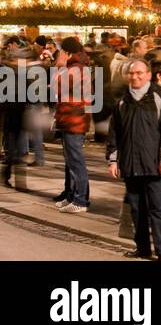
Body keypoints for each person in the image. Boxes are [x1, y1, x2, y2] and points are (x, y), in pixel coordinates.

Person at [107, 59, 161, 260]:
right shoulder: (122, 102)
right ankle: (143, 248)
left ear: (148, 75)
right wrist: (113, 160)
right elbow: (115, 134)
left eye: (139, 73)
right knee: (137, 211)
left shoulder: (159, 100)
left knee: (157, 209)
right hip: (130, 165)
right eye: (131, 73)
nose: (135, 76)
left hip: (153, 165)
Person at [53, 38, 94, 213]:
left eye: (61, 51)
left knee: (76, 161)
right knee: (71, 161)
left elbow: (56, 86)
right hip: (70, 118)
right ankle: (73, 195)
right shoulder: (76, 67)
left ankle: (80, 200)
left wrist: (59, 66)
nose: (59, 54)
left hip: (74, 120)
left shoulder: (76, 69)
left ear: (68, 52)